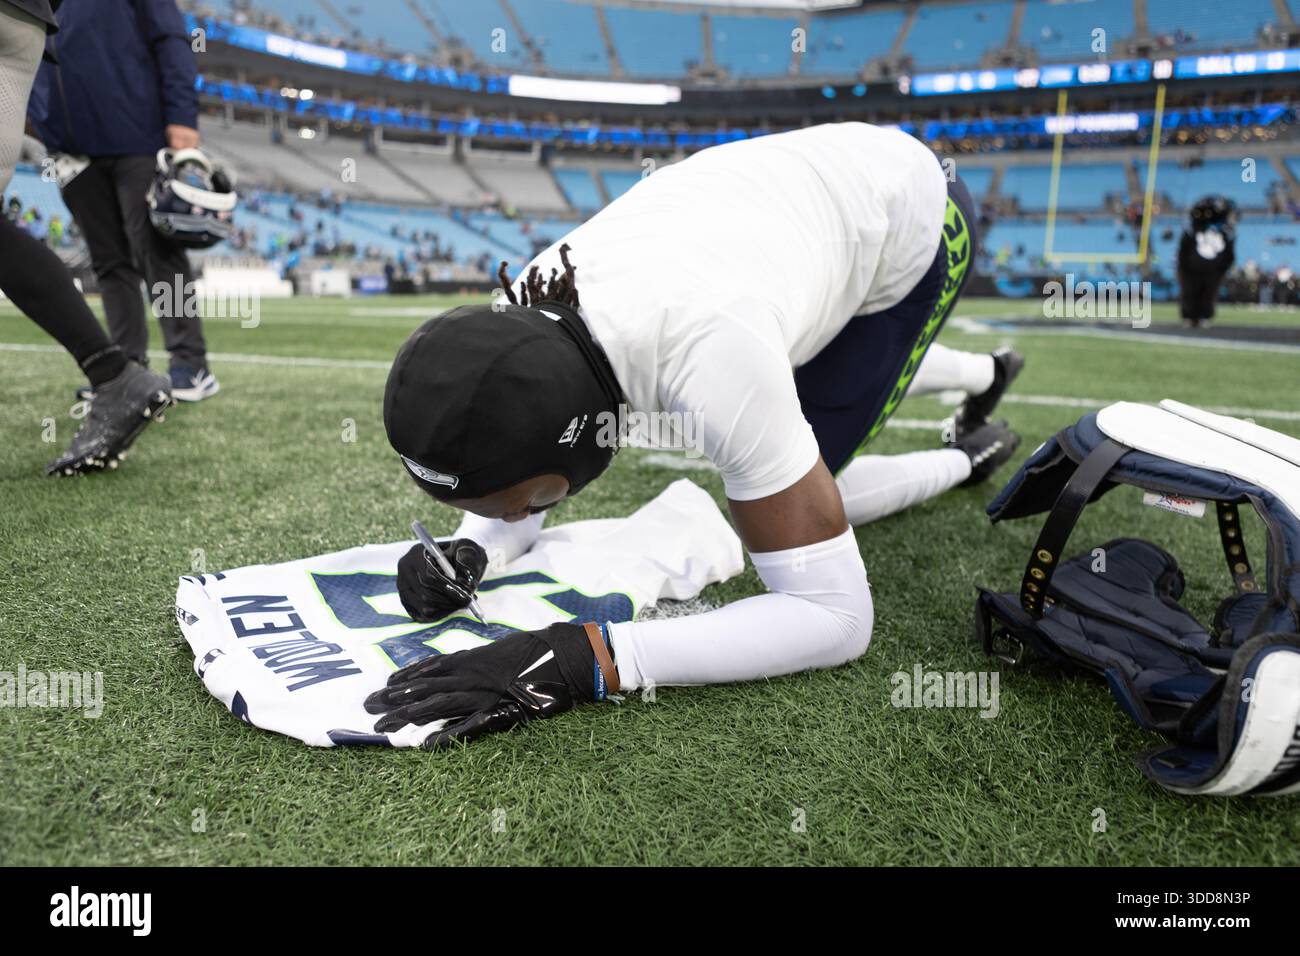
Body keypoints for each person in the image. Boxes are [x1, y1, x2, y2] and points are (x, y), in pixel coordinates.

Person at [368, 123, 1024, 748]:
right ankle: (987, 371)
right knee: (800, 389)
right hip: (777, 222)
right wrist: (476, 549)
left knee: (823, 490)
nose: (513, 519)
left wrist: (593, 657)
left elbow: (836, 616)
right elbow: (525, 441)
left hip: (910, 215)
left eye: (515, 507)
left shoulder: (712, 356)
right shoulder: (522, 318)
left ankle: (964, 458)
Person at [0, 0, 171, 473]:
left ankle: (120, 370)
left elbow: (170, 41)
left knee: (132, 257)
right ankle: (113, 371)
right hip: (26, 25)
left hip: (123, 133)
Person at [26, 0, 218, 401]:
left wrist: (182, 117)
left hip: (138, 139)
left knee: (158, 253)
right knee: (110, 263)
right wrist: (45, 128)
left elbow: (171, 39)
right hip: (72, 152)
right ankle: (128, 370)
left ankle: (190, 364)